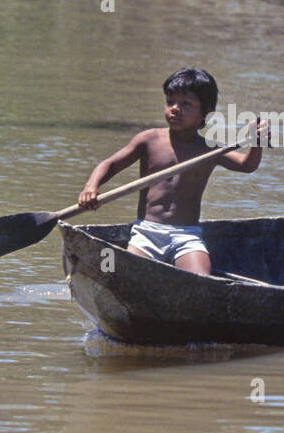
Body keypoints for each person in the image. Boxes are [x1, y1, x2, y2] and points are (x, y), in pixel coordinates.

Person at [77, 67, 265, 276]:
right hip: (147, 232)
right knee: (129, 275)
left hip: (187, 235)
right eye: (170, 102)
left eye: (186, 104)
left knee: (201, 280)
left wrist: (256, 143)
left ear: (206, 112)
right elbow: (109, 164)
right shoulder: (149, 140)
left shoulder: (209, 149)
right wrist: (91, 187)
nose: (175, 108)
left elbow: (247, 165)